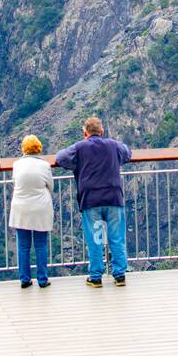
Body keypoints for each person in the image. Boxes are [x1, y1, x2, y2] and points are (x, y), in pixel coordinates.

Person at [54, 116, 131, 288]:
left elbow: (60, 158)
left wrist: (78, 164)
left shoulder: (79, 148)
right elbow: (127, 153)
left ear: (85, 133)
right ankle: (119, 275)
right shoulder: (113, 145)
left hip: (91, 199)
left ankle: (96, 277)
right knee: (117, 238)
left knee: (95, 239)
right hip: (113, 197)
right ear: (102, 131)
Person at [9, 135, 54, 288]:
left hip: (21, 208)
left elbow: (15, 183)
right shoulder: (45, 165)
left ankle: (24, 279)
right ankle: (42, 279)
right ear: (38, 148)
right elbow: (51, 186)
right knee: (40, 245)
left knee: (23, 245)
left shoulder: (17, 165)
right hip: (40, 208)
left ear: (24, 148)